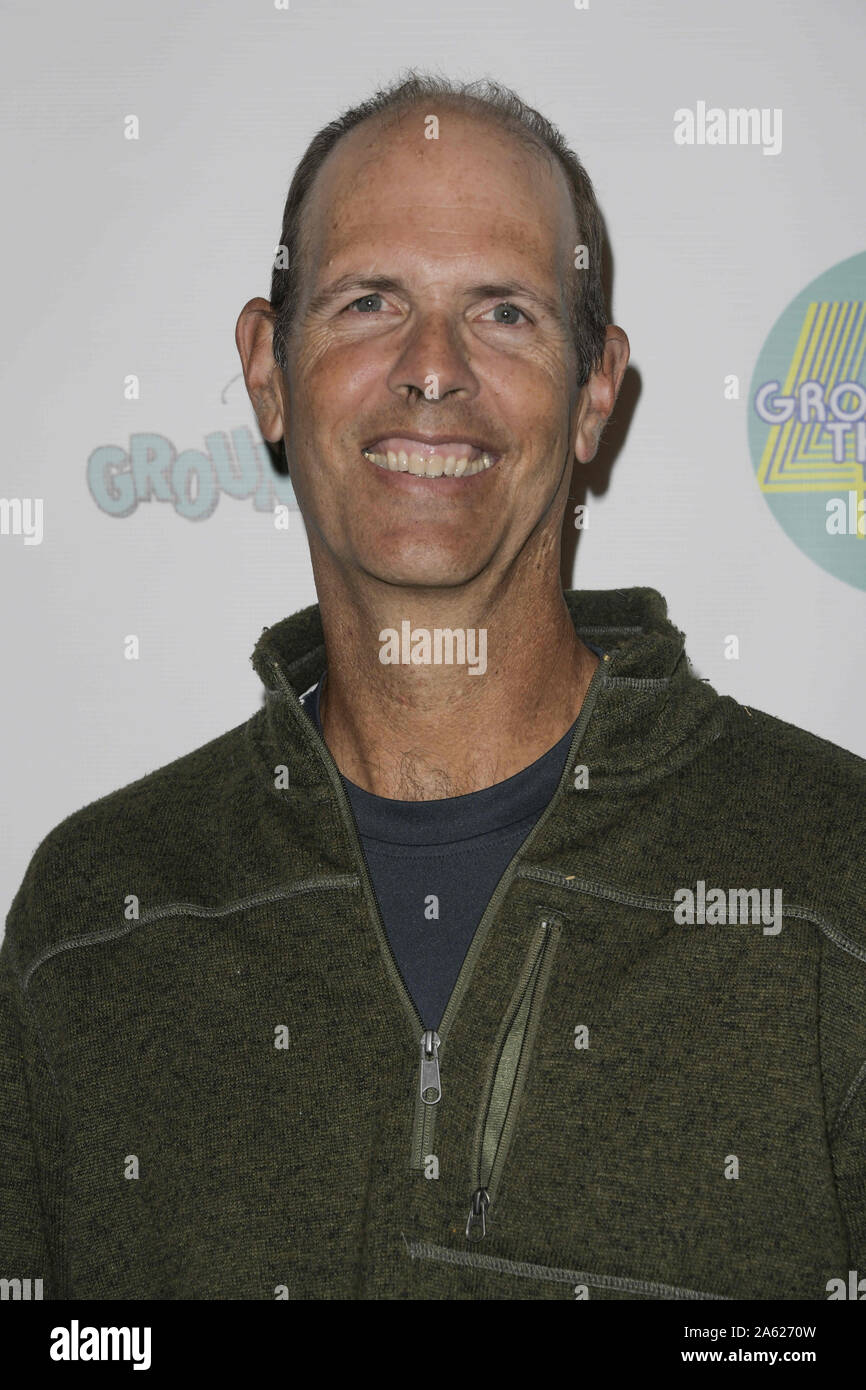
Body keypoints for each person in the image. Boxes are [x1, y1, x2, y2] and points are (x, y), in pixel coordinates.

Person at [2, 73, 864, 1302]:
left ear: (594, 392)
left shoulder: (834, 882)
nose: (430, 371)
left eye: (502, 312)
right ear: (267, 370)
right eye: (367, 303)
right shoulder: (94, 919)